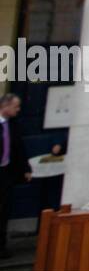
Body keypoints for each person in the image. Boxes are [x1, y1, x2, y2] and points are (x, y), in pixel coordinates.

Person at [0, 94, 32, 260]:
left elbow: (19, 148)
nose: (18, 110)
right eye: (16, 106)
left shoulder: (14, 125)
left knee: (4, 209)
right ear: (5, 106)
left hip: (6, 172)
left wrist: (26, 168)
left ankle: (1, 246)